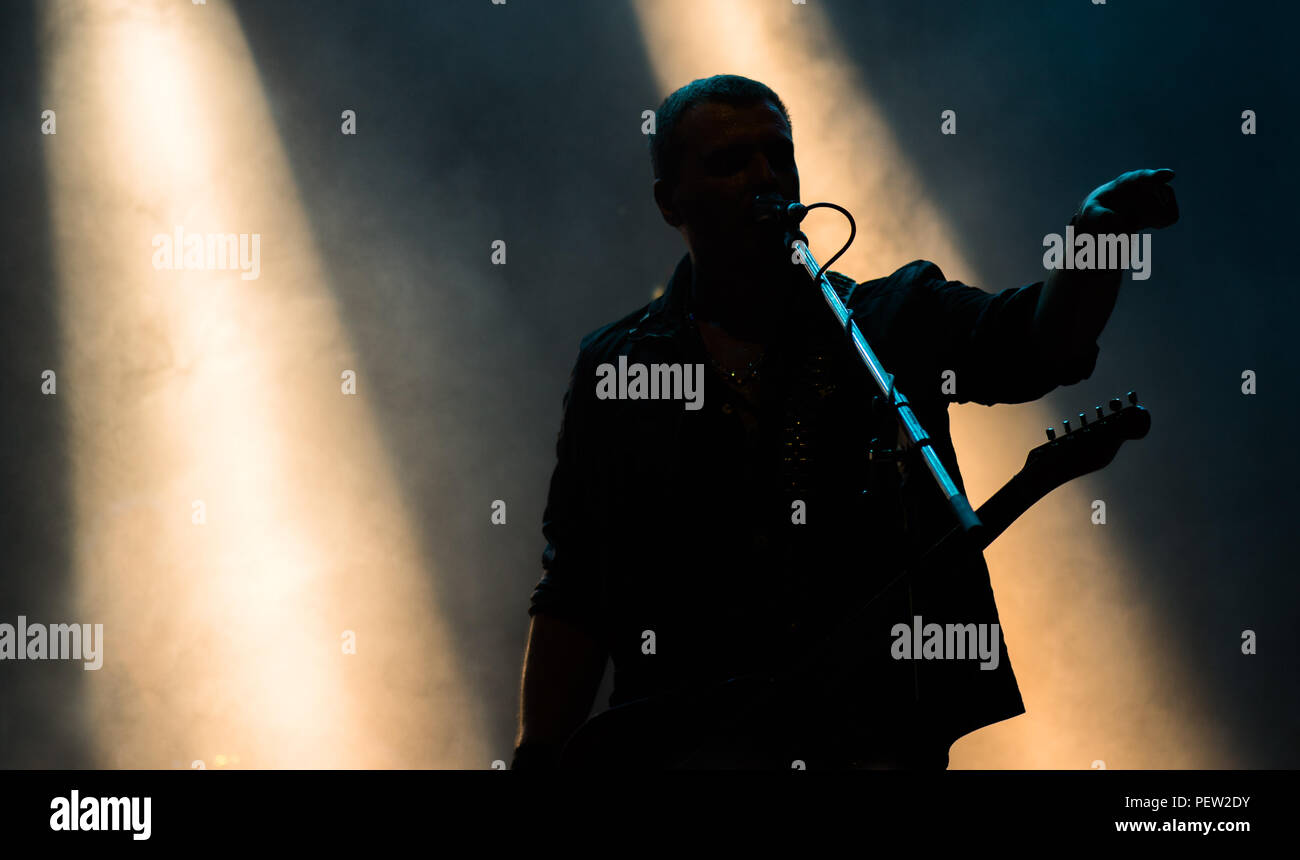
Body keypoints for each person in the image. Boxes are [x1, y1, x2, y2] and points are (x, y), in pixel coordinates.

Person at [512, 74, 1178, 770]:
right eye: (730, 161)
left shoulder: (891, 321)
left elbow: (1037, 345)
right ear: (669, 201)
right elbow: (576, 584)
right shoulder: (617, 365)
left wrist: (1097, 239)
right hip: (676, 739)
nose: (766, 175)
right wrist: (537, 754)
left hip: (867, 745)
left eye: (779, 154)